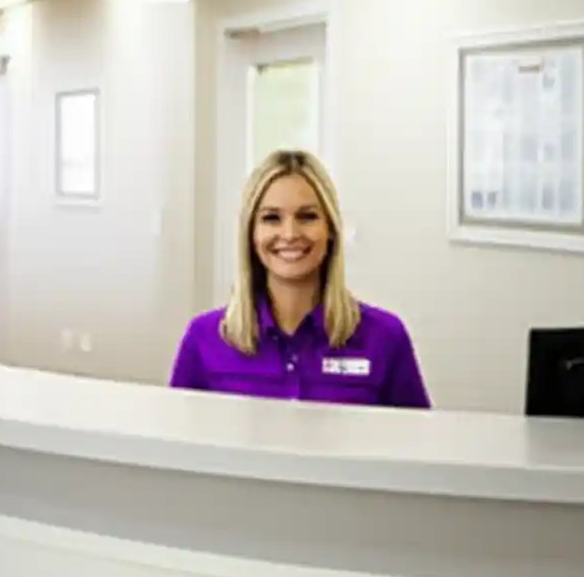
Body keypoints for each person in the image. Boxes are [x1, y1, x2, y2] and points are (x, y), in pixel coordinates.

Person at [169, 150, 430, 408]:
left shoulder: (385, 338)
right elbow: (175, 447)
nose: (290, 233)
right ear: (251, 234)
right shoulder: (203, 340)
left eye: (307, 217)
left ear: (330, 230)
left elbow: (417, 447)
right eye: (271, 218)